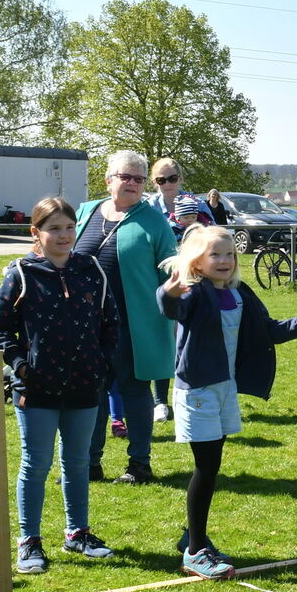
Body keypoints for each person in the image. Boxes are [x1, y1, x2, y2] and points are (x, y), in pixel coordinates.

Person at [157, 225, 297, 579]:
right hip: (198, 392)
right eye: (215, 255)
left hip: (225, 388)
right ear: (197, 261)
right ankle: (195, 551)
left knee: (211, 466)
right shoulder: (192, 293)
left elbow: (267, 329)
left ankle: (193, 536)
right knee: (206, 468)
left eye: (229, 254)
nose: (224, 261)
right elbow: (170, 308)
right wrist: (169, 291)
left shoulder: (240, 293)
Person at [0, 198, 119, 574]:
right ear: (36, 233)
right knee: (36, 463)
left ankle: (77, 533)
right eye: (54, 229)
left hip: (84, 385)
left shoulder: (91, 269)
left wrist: (103, 362)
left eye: (69, 228)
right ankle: (28, 541)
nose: (64, 236)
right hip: (37, 390)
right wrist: (20, 366)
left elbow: (112, 322)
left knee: (77, 462)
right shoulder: (20, 273)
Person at [74, 150, 176, 484]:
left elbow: (169, 269)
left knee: (134, 390)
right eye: (125, 176)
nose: (132, 183)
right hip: (86, 324)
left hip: (133, 324)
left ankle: (139, 465)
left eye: (138, 178)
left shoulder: (152, 219)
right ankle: (89, 463)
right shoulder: (87, 211)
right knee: (92, 391)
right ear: (108, 180)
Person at [146, 157, 211, 422]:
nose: (167, 185)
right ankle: (160, 401)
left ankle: (192, 393)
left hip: (195, 282)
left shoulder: (199, 205)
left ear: (180, 178)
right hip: (161, 280)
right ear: (154, 182)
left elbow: (213, 238)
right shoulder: (148, 206)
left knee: (192, 338)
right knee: (164, 339)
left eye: (172, 178)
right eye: (161, 180)